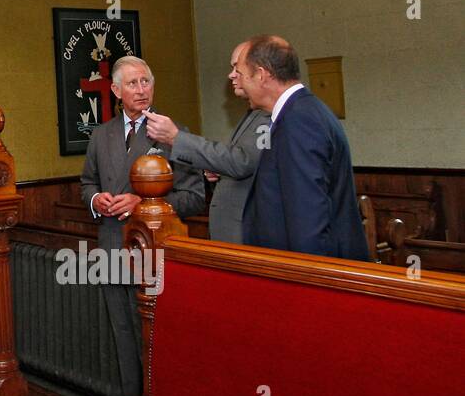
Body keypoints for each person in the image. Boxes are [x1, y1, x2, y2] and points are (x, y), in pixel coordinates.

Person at [79, 55, 205, 396]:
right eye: (132, 84)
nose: (141, 90)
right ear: (116, 90)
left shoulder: (172, 134)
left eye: (146, 82)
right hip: (110, 246)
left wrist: (144, 203)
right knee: (122, 335)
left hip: (152, 254)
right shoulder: (101, 135)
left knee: (154, 338)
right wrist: (97, 201)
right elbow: (87, 182)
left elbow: (194, 197)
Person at [238, 35, 369, 259]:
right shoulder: (304, 110)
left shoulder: (298, 121)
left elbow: (308, 220)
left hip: (312, 274)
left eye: (240, 74)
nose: (238, 83)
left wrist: (306, 285)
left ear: (261, 75)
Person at [141, 41, 269, 243]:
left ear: (259, 72)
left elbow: (243, 162)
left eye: (237, 67)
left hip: (249, 235)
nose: (232, 74)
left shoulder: (267, 114)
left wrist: (176, 138)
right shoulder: (254, 112)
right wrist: (219, 169)